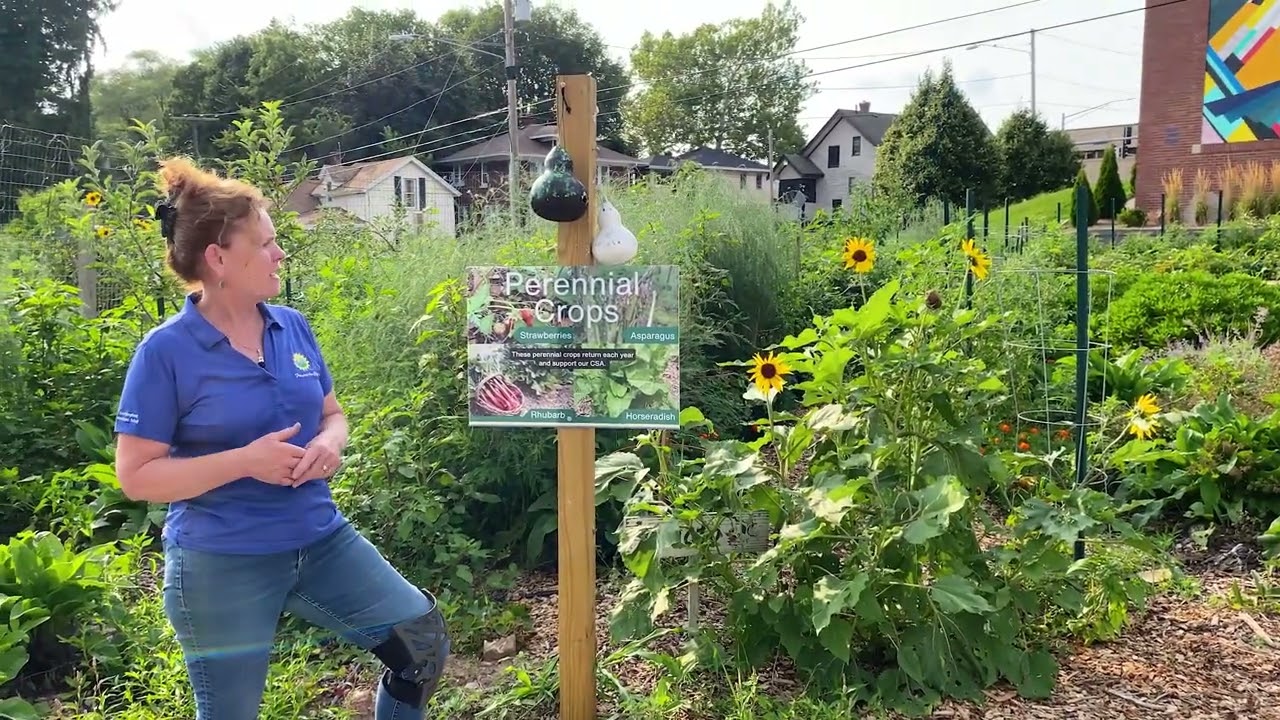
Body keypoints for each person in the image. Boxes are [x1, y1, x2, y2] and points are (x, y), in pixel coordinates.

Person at [112, 157, 449, 719]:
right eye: (266, 243)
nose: (280, 253)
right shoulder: (165, 352)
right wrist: (245, 461)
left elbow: (332, 413)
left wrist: (331, 444)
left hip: (320, 540)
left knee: (421, 645)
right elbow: (137, 475)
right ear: (218, 259)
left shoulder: (289, 324)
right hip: (222, 561)